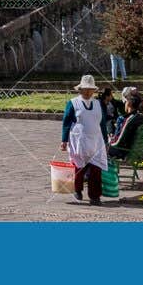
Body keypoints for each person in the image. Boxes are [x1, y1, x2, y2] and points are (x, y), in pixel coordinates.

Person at [60, 74, 112, 205]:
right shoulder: (73, 103)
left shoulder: (98, 104)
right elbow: (66, 122)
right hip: (79, 140)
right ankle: (77, 189)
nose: (88, 92)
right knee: (78, 167)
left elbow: (102, 123)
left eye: (91, 89)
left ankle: (95, 196)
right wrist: (64, 140)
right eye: (85, 89)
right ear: (80, 89)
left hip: (96, 141)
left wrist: (105, 141)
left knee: (96, 169)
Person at [108, 90, 143, 160]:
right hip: (135, 149)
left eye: (125, 102)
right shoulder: (141, 117)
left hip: (123, 151)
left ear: (129, 103)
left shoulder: (129, 119)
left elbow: (118, 140)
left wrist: (109, 140)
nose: (124, 104)